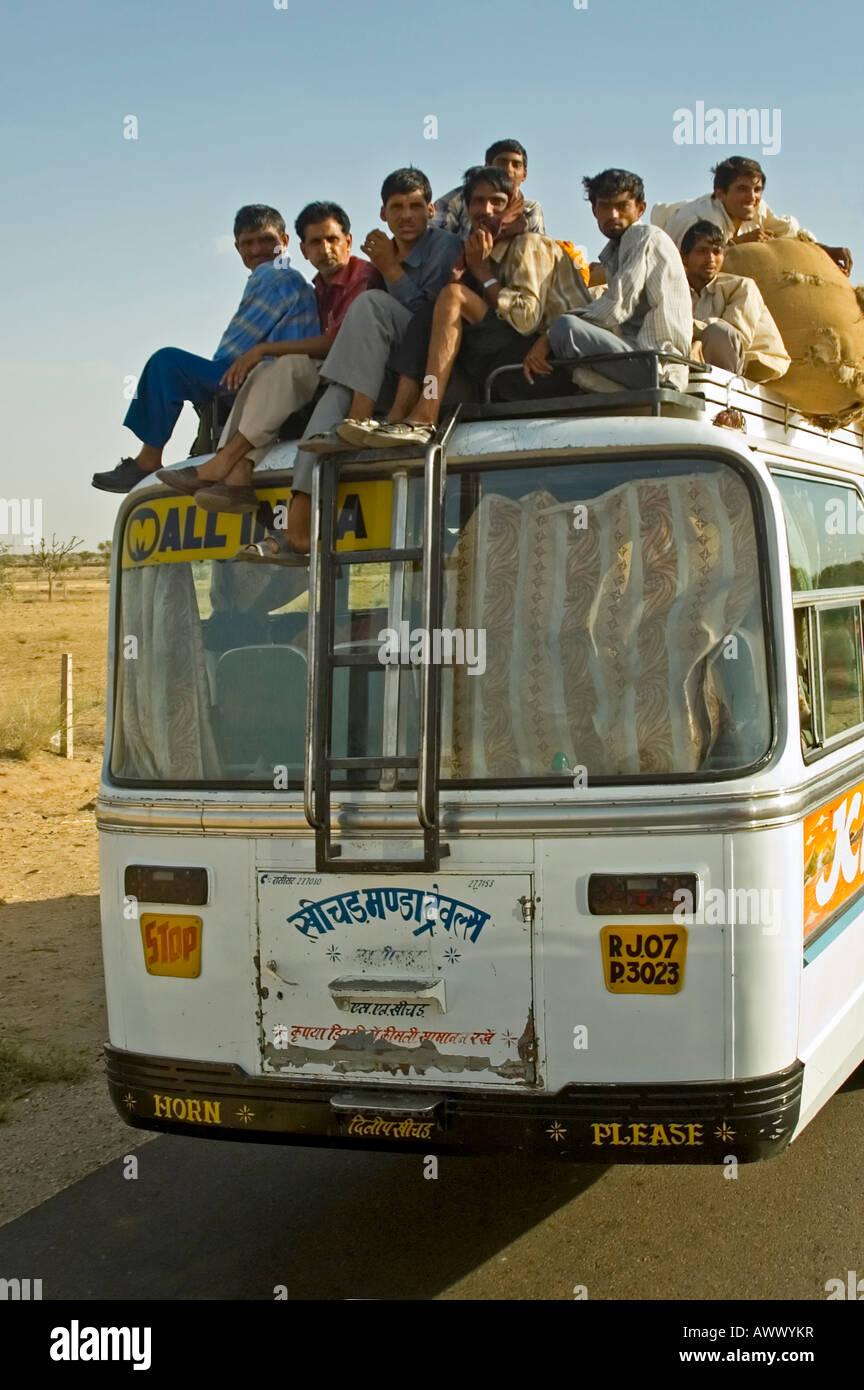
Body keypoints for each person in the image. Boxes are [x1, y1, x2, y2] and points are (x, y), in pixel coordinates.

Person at [152, 202, 383, 512]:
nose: (325, 249)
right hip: (321, 376)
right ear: (302, 248)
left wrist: (261, 349)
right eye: (315, 242)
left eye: (332, 239)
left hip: (358, 380)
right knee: (264, 372)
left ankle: (223, 462)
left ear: (348, 242)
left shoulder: (363, 277)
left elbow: (337, 344)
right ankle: (238, 477)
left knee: (288, 364)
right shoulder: (317, 288)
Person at [338, 166, 591, 448]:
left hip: (545, 366)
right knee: (434, 307)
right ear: (467, 208)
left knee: (452, 297)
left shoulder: (527, 244)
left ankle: (425, 416)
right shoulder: (480, 248)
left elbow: (526, 319)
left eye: (497, 201)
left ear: (513, 206)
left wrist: (481, 270)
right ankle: (397, 416)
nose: (486, 209)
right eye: (478, 202)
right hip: (501, 364)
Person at [92, 205, 320, 493]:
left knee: (166, 364)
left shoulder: (274, 276)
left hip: (266, 373)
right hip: (276, 374)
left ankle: (148, 460)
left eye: (266, 240)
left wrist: (205, 380)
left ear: (284, 242)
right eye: (248, 243)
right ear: (237, 248)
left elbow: (235, 349)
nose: (258, 249)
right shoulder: (293, 280)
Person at [536, 169, 693, 392]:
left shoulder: (642, 236)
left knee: (565, 328)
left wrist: (548, 336)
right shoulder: (615, 252)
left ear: (640, 209)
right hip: (638, 355)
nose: (613, 215)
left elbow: (616, 307)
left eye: (622, 206)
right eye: (605, 207)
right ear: (594, 210)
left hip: (659, 365)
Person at [655, 157, 852, 275]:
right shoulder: (700, 220)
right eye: (742, 189)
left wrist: (823, 251)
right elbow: (688, 267)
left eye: (757, 189)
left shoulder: (757, 208)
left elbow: (789, 233)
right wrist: (737, 244)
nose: (752, 197)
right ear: (721, 193)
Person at [679, 220, 789, 383]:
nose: (710, 259)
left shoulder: (742, 287)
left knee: (719, 331)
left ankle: (719, 396)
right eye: (702, 251)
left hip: (745, 367)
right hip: (690, 366)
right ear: (684, 258)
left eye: (717, 252)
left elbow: (733, 336)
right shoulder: (676, 289)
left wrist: (691, 332)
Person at [433, 139, 545, 239]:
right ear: (487, 167)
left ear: (524, 175)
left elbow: (538, 253)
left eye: (516, 165)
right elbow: (436, 243)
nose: (509, 169)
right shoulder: (455, 200)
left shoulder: (529, 210)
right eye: (502, 162)